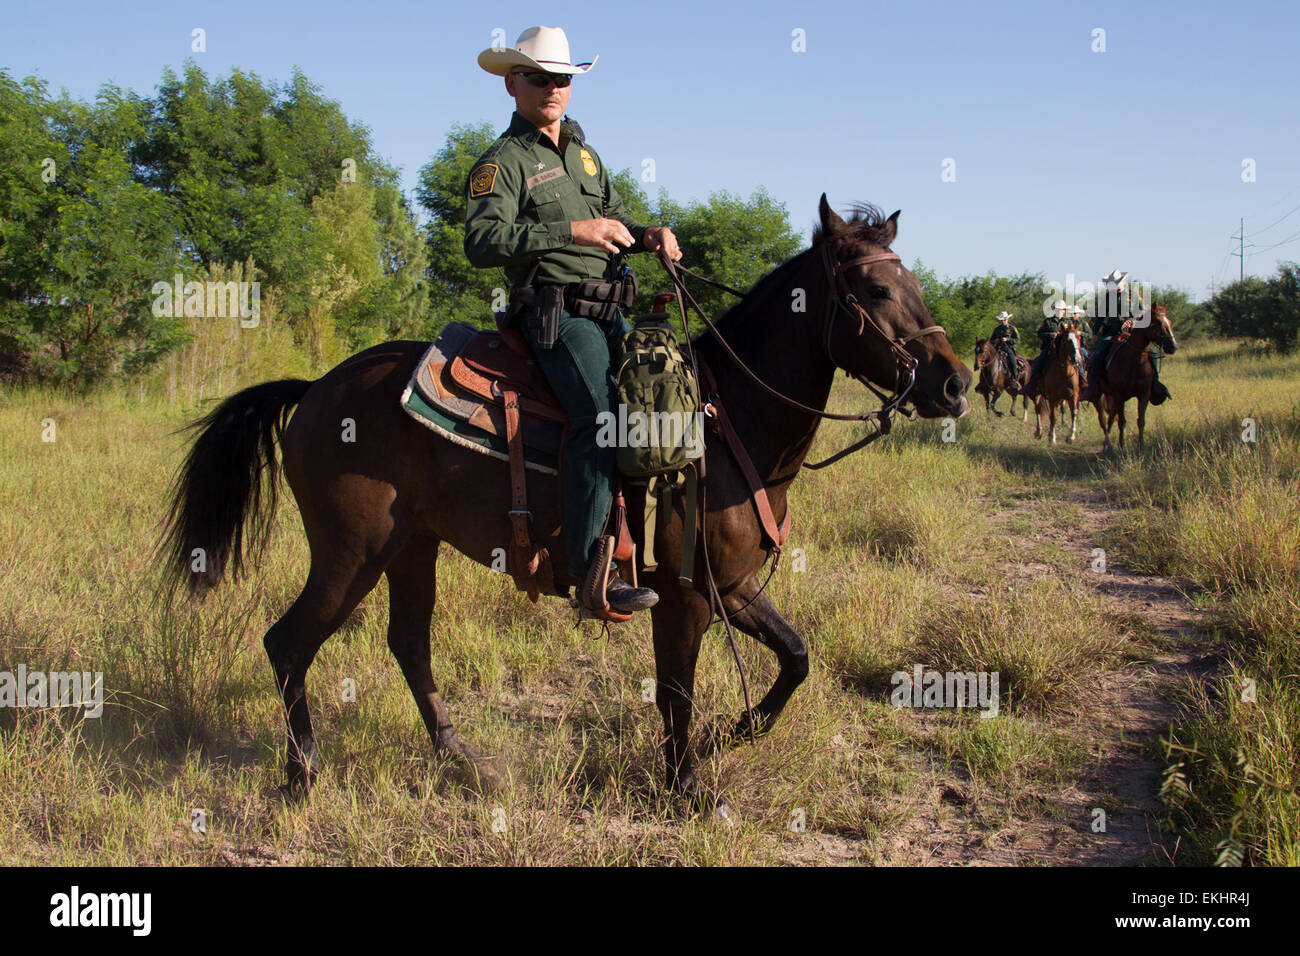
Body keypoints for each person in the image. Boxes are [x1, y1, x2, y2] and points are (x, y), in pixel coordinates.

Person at [464, 26, 682, 616]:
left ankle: (670, 545)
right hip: (556, 314)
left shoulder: (585, 155)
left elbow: (611, 220)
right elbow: (481, 241)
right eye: (539, 78)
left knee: (665, 401)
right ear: (512, 82)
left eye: (562, 79)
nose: (553, 88)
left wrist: (647, 235)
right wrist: (571, 231)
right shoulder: (501, 162)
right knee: (601, 420)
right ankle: (593, 573)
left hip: (611, 309)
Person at [1081, 270, 1169, 404]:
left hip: (1132, 332)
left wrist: (1133, 322)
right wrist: (1094, 333)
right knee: (1098, 353)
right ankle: (1092, 387)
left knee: (1151, 351)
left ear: (1122, 282)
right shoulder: (1107, 298)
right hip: (1112, 333)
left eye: (1116, 283)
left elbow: (1141, 315)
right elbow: (1099, 318)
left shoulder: (1133, 296)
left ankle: (1155, 382)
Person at [1024, 300, 1067, 398]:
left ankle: (1083, 383)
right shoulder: (1048, 321)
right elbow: (1039, 333)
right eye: (1057, 309)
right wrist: (1050, 335)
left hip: (1064, 350)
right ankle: (1031, 386)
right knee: (1037, 364)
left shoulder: (1068, 322)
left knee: (1078, 362)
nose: (1059, 311)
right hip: (1049, 349)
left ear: (1064, 311)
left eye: (1061, 309)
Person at [988, 311, 1021, 392]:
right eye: (1001, 320)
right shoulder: (997, 329)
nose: (1002, 321)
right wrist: (996, 340)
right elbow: (991, 340)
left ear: (1007, 319)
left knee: (1012, 360)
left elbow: (1018, 339)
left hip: (1008, 348)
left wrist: (1008, 339)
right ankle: (984, 380)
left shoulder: (1012, 328)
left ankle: (1015, 379)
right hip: (998, 348)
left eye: (1004, 320)